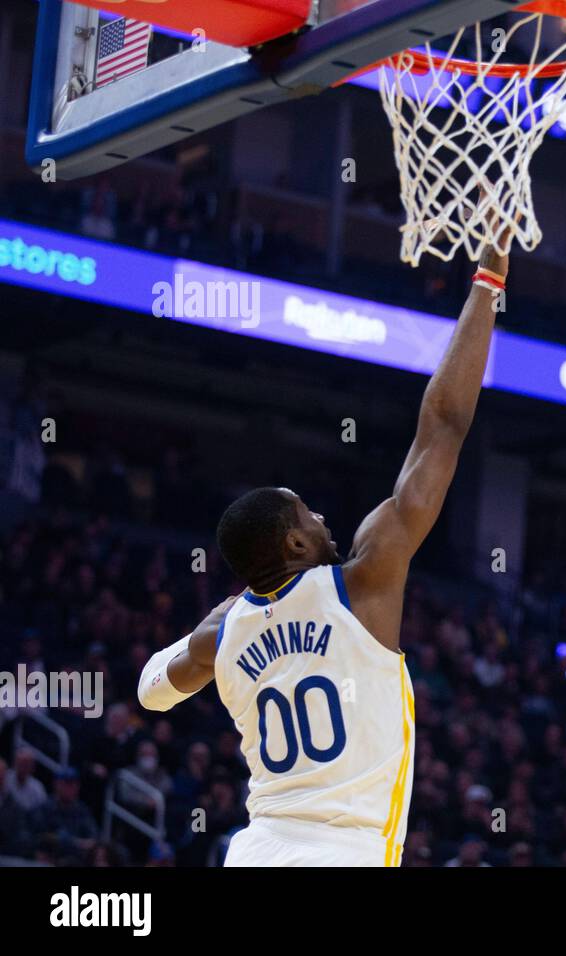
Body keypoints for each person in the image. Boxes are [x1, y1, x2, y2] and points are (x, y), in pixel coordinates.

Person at [137, 213, 512, 867]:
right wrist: (488, 278)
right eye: (308, 515)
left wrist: (227, 620)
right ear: (294, 546)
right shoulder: (365, 578)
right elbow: (445, 422)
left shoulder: (221, 634)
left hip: (256, 850)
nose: (323, 521)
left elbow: (150, 691)